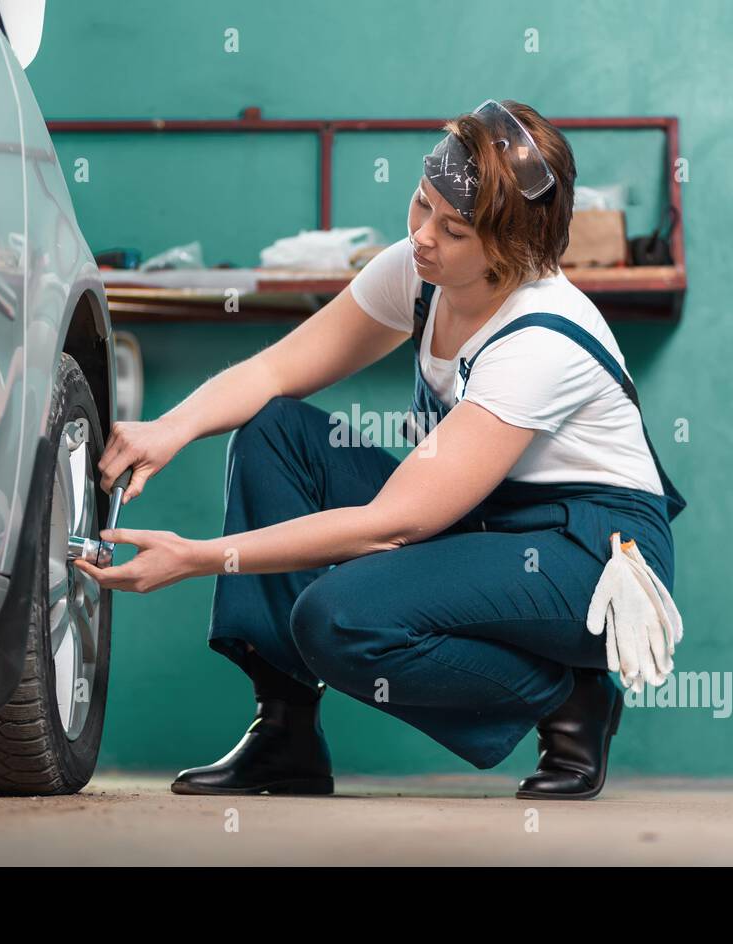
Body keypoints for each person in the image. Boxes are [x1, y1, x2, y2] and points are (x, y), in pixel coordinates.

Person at [77, 99, 687, 799]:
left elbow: (394, 523)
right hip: (483, 521)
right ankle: (285, 735)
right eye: (420, 206)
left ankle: (568, 701)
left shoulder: (540, 337)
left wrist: (197, 558)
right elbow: (278, 371)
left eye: (453, 230)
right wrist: (170, 427)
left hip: (589, 555)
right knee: (278, 433)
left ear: (510, 250)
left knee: (339, 618)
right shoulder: (422, 272)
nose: (424, 237)